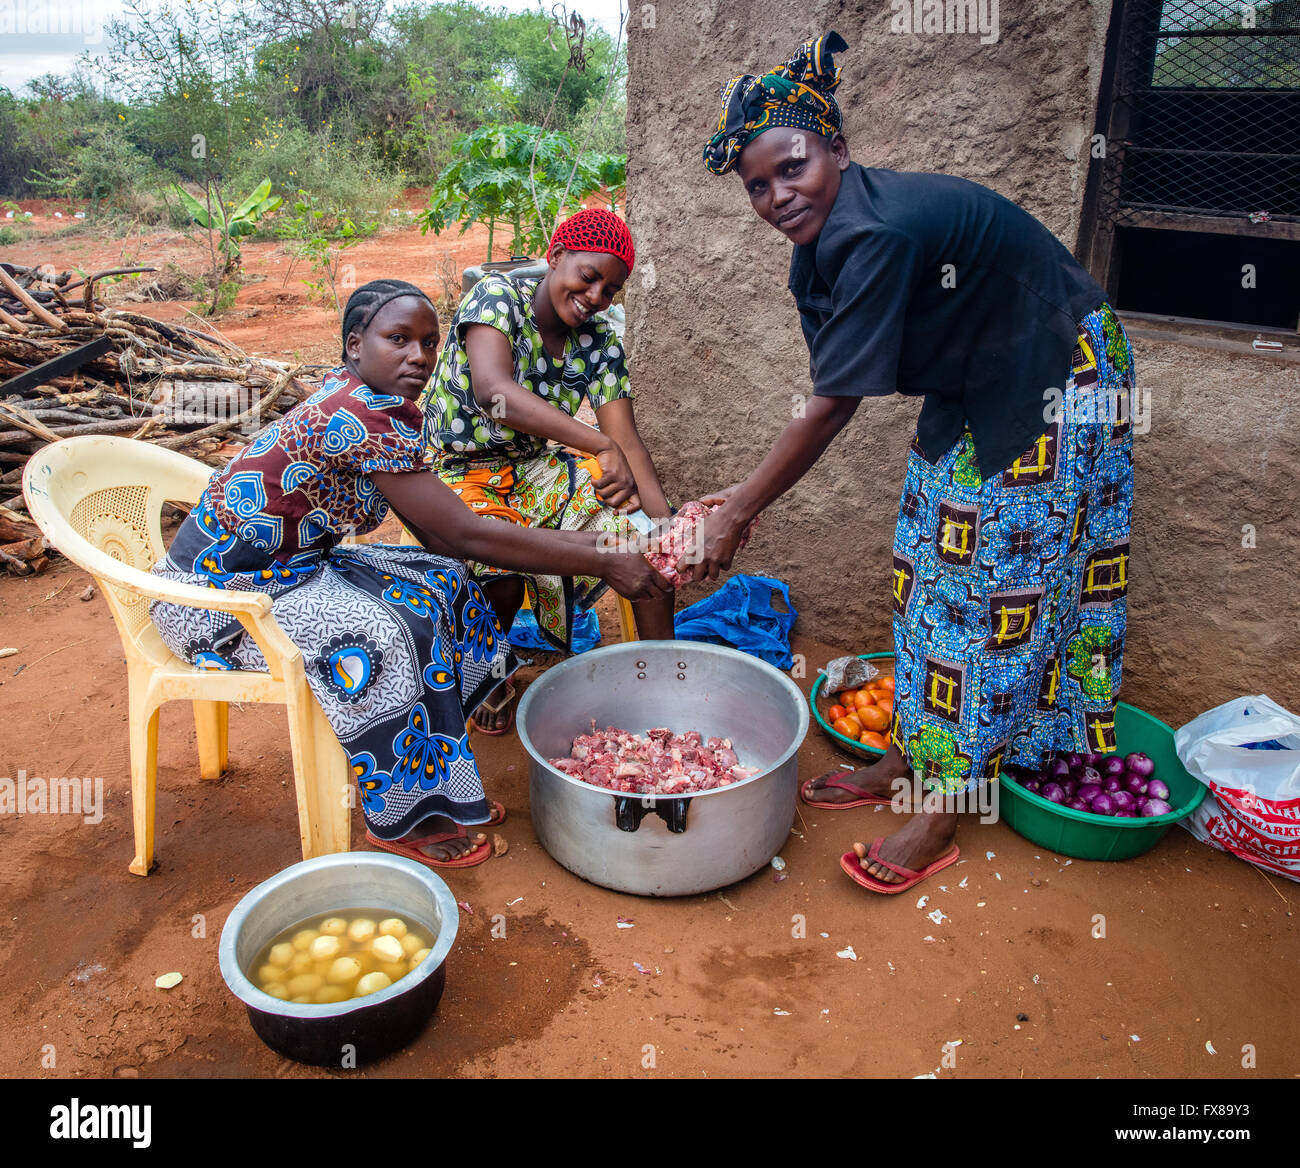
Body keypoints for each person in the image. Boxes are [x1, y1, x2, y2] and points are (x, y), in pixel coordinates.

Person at [688, 33, 1136, 894]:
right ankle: (910, 754)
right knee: (927, 565)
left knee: (1000, 590)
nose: (778, 196)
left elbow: (834, 403)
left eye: (793, 168)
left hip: (1055, 369)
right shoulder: (817, 250)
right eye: (757, 186)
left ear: (838, 149)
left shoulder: (876, 228)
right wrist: (740, 496)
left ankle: (947, 808)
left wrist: (740, 510)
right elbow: (831, 384)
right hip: (976, 376)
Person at [149, 279, 670, 868]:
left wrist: (577, 550)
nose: (418, 357)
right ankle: (405, 817)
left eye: (428, 343)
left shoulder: (377, 404)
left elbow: (443, 541)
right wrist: (602, 555)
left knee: (444, 584)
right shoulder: (356, 414)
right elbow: (465, 533)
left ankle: (442, 772)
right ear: (355, 345)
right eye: (398, 339)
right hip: (215, 600)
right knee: (386, 638)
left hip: (292, 570)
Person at [423, 208, 674, 734]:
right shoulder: (496, 297)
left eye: (610, 290)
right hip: (454, 468)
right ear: (556, 256)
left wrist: (668, 531)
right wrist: (598, 443)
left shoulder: (599, 339)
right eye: (589, 276)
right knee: (498, 572)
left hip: (532, 467)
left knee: (643, 542)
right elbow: (493, 393)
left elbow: (626, 441)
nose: (596, 297)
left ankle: (661, 682)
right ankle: (491, 675)